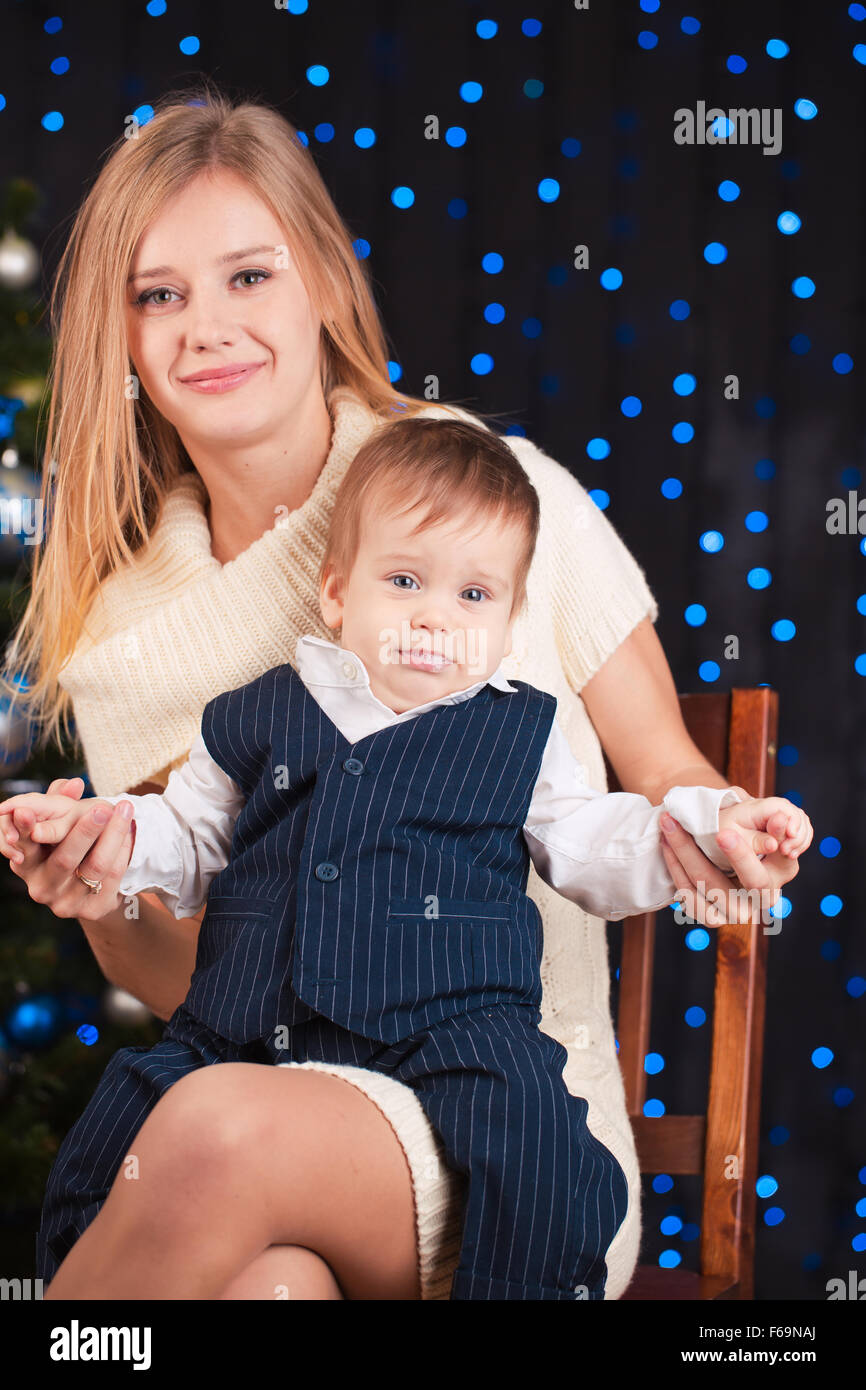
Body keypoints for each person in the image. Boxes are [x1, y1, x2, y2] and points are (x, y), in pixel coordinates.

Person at [0, 83, 805, 1301]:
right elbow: (192, 974)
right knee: (266, 1286)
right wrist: (105, 890)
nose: (205, 326)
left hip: (503, 1114)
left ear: (321, 280)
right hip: (274, 1078)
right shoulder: (125, 632)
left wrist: (719, 831)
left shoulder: (497, 501)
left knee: (217, 1134)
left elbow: (665, 768)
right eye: (158, 295)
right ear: (117, 336)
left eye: (248, 276)